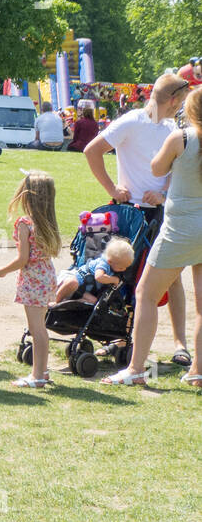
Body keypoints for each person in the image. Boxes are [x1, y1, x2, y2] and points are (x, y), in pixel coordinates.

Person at [86, 72, 194, 366]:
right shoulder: (132, 121)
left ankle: (179, 344)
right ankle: (120, 339)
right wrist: (112, 189)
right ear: (172, 100)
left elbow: (177, 170)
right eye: (180, 101)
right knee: (125, 276)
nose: (181, 107)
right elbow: (91, 150)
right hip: (129, 213)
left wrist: (164, 193)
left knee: (171, 279)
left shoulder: (173, 127)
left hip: (159, 213)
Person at [105, 87, 202, 385]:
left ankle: (135, 370)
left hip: (181, 226)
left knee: (146, 293)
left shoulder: (180, 137)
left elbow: (157, 168)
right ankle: (197, 370)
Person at [0, 171, 62, 388]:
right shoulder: (47, 222)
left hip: (33, 280)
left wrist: (3, 270)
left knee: (37, 329)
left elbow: (23, 259)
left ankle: (38, 375)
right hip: (46, 276)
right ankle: (42, 370)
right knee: (40, 327)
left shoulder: (25, 223)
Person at [52, 237, 135, 304]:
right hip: (71, 280)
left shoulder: (113, 266)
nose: (124, 269)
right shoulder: (103, 263)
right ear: (110, 261)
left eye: (125, 267)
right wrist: (114, 279)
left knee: (94, 301)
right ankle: (55, 301)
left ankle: (68, 303)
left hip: (81, 290)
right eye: (121, 268)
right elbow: (99, 277)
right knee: (73, 283)